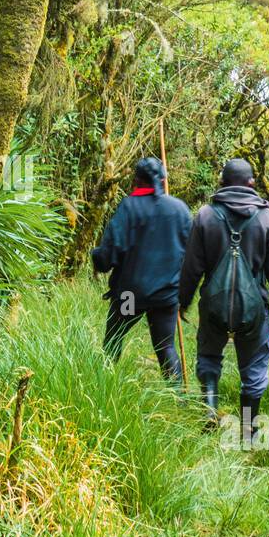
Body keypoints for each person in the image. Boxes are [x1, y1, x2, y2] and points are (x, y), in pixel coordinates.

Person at [178, 158, 269, 437]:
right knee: (253, 367)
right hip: (253, 310)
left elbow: (192, 267)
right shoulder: (266, 218)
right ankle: (248, 431)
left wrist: (183, 302)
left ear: (222, 183)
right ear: (252, 183)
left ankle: (210, 410)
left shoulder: (205, 215)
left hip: (213, 307)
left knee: (208, 356)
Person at [92, 157, 192, 379]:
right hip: (165, 297)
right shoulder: (179, 210)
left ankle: (103, 386)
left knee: (114, 339)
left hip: (131, 296)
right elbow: (192, 255)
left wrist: (97, 258)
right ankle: (177, 399)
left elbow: (109, 254)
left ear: (136, 180)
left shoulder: (129, 208)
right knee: (166, 347)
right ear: (164, 180)